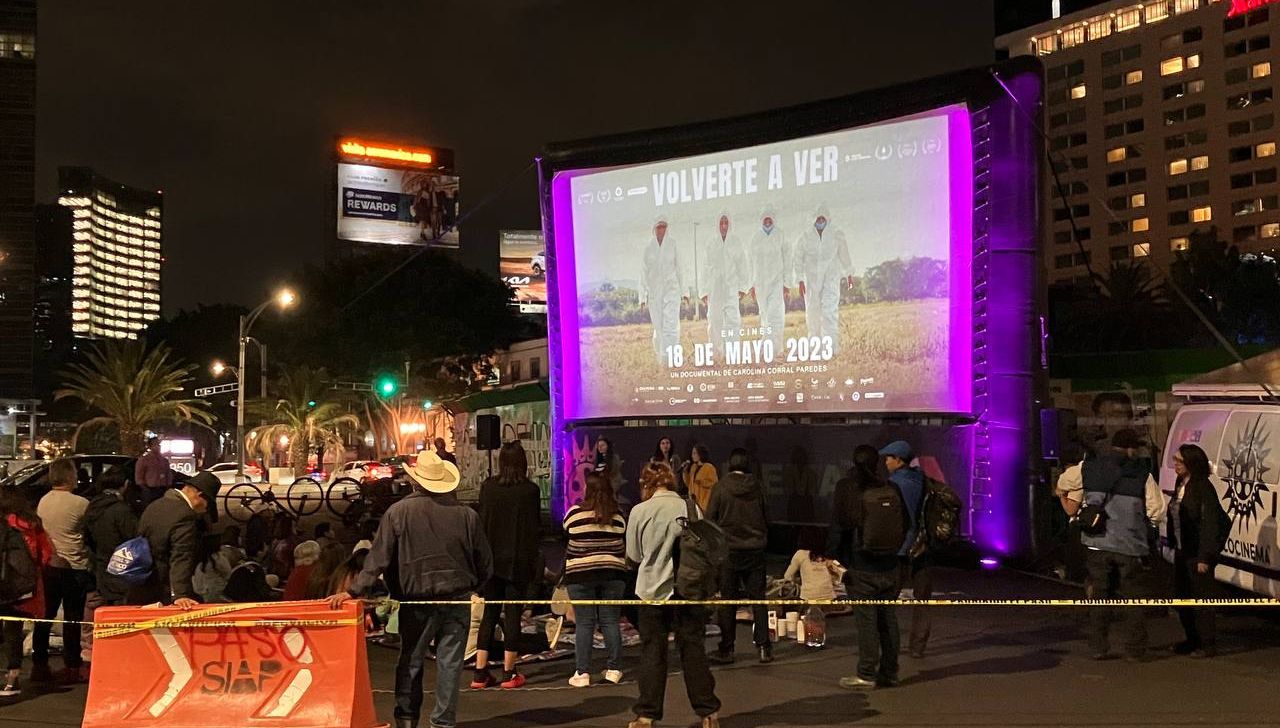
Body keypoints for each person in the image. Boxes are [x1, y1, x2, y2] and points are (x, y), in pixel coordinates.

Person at [327, 450, 492, 728]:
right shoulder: (467, 515)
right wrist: (475, 586)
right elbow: (485, 562)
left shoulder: (398, 513)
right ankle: (443, 722)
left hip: (416, 601)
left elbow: (378, 559)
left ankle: (407, 719)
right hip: (458, 598)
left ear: (416, 481)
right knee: (450, 665)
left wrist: (353, 591)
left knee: (411, 662)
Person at [626, 462, 720, 728]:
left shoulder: (639, 511)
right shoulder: (691, 508)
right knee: (693, 650)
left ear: (646, 484)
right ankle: (708, 713)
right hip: (688, 590)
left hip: (651, 591)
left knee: (653, 652)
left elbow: (633, 555)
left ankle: (647, 715)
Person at [1080, 428, 1165, 661]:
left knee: (1099, 596)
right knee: (1133, 598)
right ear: (1131, 449)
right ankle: (1135, 650)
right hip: (1130, 543)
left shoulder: (1091, 467)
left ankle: (1098, 647)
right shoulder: (1142, 473)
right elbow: (1156, 510)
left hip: (1097, 541)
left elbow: (1068, 486)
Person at [839, 445, 910, 690]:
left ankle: (866, 673)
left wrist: (841, 561)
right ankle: (890, 672)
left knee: (866, 622)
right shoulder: (892, 488)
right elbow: (906, 523)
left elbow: (842, 527)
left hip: (863, 567)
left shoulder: (852, 490)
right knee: (888, 620)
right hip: (891, 566)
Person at [472, 441, 541, 690]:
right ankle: (509, 671)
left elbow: (481, 523)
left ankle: (480, 672)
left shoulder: (488, 488)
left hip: (490, 562)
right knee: (512, 614)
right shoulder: (529, 491)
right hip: (517, 560)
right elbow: (534, 531)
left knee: (489, 613)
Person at [562, 471, 628, 687]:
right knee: (610, 621)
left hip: (580, 574)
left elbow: (566, 532)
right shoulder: (618, 517)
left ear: (587, 490)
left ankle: (582, 673)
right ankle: (614, 669)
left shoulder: (573, 514)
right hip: (613, 573)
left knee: (584, 623)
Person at [706, 448, 772, 665]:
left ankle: (727, 648)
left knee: (728, 601)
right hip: (755, 550)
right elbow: (767, 517)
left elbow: (709, 520)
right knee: (758, 599)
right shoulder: (759, 487)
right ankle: (764, 647)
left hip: (729, 552)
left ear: (729, 465)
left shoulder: (721, 487)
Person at [32, 458, 92, 684]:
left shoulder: (43, 502)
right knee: (73, 618)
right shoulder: (80, 503)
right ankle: (72, 666)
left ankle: (39, 665)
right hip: (75, 567)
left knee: (44, 616)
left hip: (49, 566)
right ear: (70, 476)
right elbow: (87, 532)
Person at [1167, 443, 1229, 658]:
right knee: (1182, 598)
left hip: (1197, 552)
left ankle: (1207, 643)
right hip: (1182, 549)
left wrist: (1205, 556)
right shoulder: (1180, 483)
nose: (1175, 464)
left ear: (1191, 463)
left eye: (1179, 461)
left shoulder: (1202, 487)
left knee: (1202, 600)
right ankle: (1191, 639)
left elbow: (1210, 523)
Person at [129, 471, 220, 608]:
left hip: (142, 580)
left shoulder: (156, 505)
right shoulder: (185, 515)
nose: (206, 509)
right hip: (162, 586)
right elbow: (181, 555)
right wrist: (181, 595)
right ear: (200, 496)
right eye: (208, 504)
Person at [880, 439, 932, 658]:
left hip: (900, 549)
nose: (885, 462)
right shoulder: (923, 480)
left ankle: (887, 645)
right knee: (923, 600)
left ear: (898, 460)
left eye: (888, 458)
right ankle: (917, 647)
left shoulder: (893, 485)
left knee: (887, 600)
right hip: (923, 546)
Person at [0, 489, 53, 697]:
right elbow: (46, 555)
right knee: (14, 630)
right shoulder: (31, 525)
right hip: (20, 586)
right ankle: (12, 681)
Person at [794, 204, 854, 349]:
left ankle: (830, 349)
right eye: (818, 217)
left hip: (831, 278)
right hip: (811, 280)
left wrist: (849, 273)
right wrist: (800, 279)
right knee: (812, 314)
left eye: (823, 217)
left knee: (829, 312)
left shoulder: (837, 233)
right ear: (813, 219)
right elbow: (798, 258)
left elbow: (844, 254)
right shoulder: (805, 236)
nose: (820, 220)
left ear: (828, 218)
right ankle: (815, 348)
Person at [84, 465, 138, 607]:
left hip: (101, 569)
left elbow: (87, 538)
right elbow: (133, 539)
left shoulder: (93, 507)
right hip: (122, 571)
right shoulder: (121, 510)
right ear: (125, 484)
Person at [701, 212, 747, 361]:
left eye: (726, 223)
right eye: (721, 223)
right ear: (717, 225)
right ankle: (715, 353)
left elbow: (742, 264)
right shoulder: (711, 243)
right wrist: (703, 291)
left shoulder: (736, 242)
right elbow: (705, 268)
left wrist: (742, 286)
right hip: (714, 288)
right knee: (714, 320)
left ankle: (732, 354)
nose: (724, 226)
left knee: (733, 320)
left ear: (730, 224)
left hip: (731, 287)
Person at [640, 216, 685, 368]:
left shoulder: (673, 245)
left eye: (664, 227)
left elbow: (680, 269)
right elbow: (643, 273)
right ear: (654, 229)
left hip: (672, 290)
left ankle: (669, 361)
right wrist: (642, 296)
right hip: (654, 294)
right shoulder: (648, 248)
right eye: (659, 227)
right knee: (659, 328)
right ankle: (662, 357)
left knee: (670, 325)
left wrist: (684, 292)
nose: (662, 230)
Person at [747, 206, 792, 352]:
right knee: (765, 317)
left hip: (776, 283)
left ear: (773, 219)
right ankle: (770, 351)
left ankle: (773, 350)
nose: (767, 222)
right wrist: (751, 285)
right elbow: (750, 263)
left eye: (769, 219)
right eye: (765, 219)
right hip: (760, 284)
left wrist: (787, 283)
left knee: (775, 316)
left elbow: (787, 260)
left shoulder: (781, 235)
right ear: (761, 220)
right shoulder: (755, 238)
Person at [784, 527, 845, 603]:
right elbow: (842, 572)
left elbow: (787, 576)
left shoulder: (800, 554)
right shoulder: (828, 554)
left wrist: (800, 582)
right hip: (829, 597)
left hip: (808, 597)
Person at [134, 436, 173, 505]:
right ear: (150, 447)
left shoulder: (164, 460)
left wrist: (168, 486)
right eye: (155, 444)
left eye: (158, 444)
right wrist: (145, 489)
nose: (158, 447)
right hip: (150, 490)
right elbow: (139, 477)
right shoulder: (144, 460)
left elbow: (168, 474)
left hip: (162, 489)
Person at [683, 444, 718, 512]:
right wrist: (684, 472)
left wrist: (701, 482)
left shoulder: (709, 467)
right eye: (692, 453)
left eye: (694, 453)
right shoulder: (693, 467)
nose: (692, 455)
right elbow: (689, 484)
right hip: (693, 504)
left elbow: (714, 484)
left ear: (700, 454)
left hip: (704, 504)